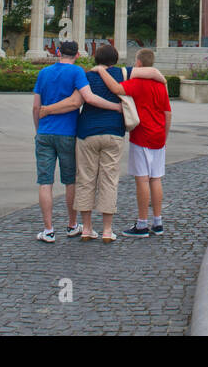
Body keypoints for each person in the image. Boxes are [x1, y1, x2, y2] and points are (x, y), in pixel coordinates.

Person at [41, 44, 168, 244]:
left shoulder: (87, 76)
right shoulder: (122, 73)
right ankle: (107, 230)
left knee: (85, 179)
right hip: (113, 132)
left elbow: (75, 101)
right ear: (115, 59)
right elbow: (151, 71)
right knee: (109, 180)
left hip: (87, 133)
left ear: (95, 58)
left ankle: (87, 228)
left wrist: (46, 110)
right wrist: (163, 79)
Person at [31, 40, 123, 244]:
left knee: (45, 182)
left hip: (45, 132)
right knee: (70, 181)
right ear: (78, 55)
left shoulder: (44, 72)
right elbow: (85, 99)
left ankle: (48, 230)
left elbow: (36, 106)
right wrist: (115, 107)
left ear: (57, 52)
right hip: (68, 133)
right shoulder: (77, 73)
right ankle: (73, 225)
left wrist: (39, 129)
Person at [92, 49, 171, 238]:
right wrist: (164, 136)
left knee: (142, 179)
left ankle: (142, 224)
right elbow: (168, 113)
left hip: (142, 135)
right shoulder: (161, 85)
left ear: (138, 64)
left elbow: (116, 89)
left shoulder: (138, 82)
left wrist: (101, 71)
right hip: (159, 136)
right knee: (156, 178)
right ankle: (158, 222)